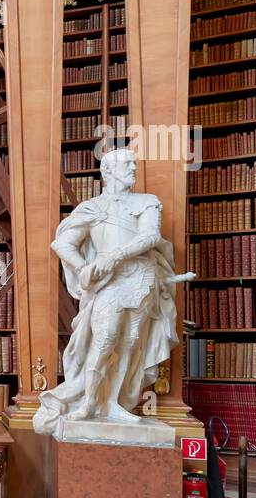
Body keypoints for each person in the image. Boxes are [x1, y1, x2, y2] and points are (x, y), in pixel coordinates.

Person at [33, 148, 194, 438]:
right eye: (126, 164)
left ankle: (115, 404)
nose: (133, 167)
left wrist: (114, 257)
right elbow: (63, 244)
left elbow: (150, 237)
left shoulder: (147, 202)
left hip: (141, 280)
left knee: (131, 344)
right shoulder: (92, 207)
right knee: (104, 340)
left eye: (134, 163)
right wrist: (84, 267)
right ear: (107, 171)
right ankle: (89, 404)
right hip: (109, 284)